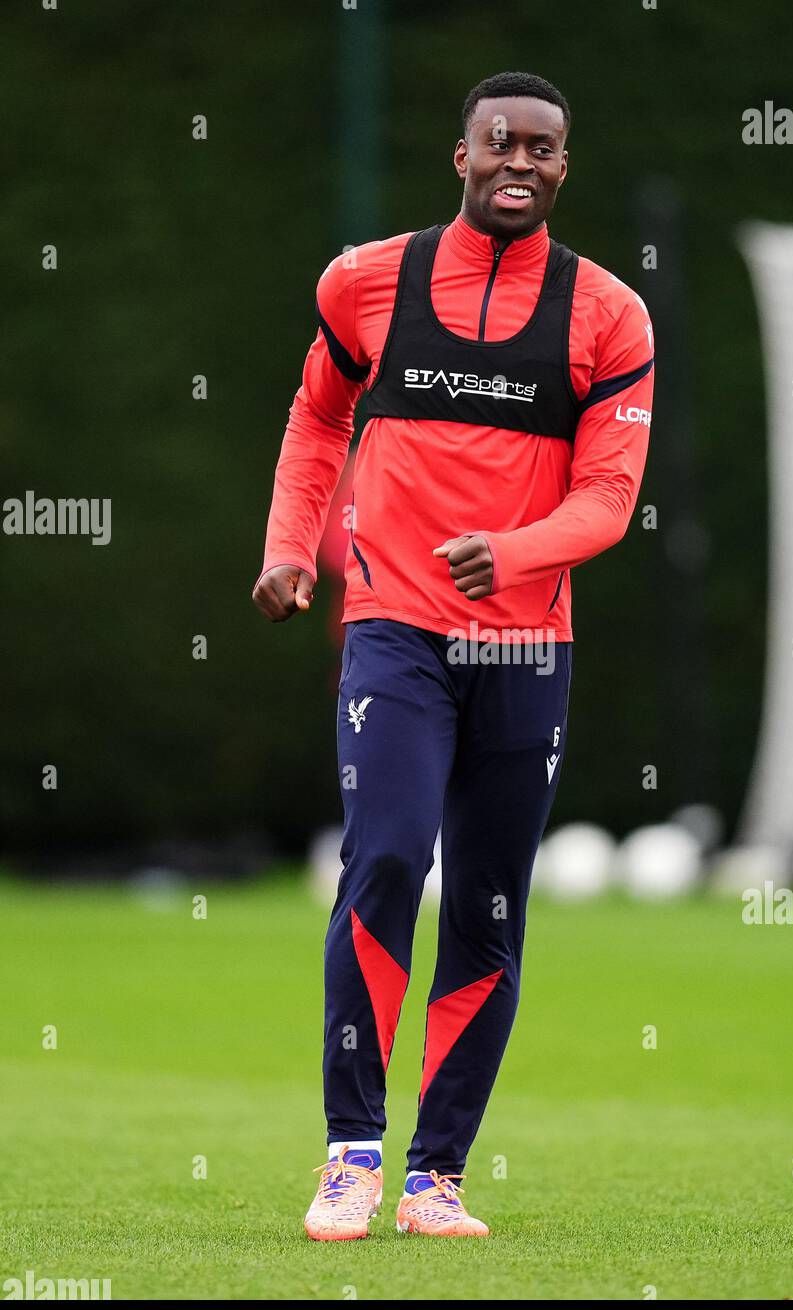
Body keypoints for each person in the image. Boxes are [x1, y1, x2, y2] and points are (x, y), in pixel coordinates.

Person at [252, 71, 654, 1239]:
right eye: (500, 142)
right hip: (397, 627)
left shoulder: (609, 315)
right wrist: (291, 549)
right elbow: (317, 418)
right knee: (385, 860)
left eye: (543, 147)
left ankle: (437, 1177)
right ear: (462, 154)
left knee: (488, 901)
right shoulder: (365, 280)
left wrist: (517, 551)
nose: (520, 161)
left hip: (527, 643)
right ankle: (350, 1157)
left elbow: (610, 499)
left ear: (565, 168)